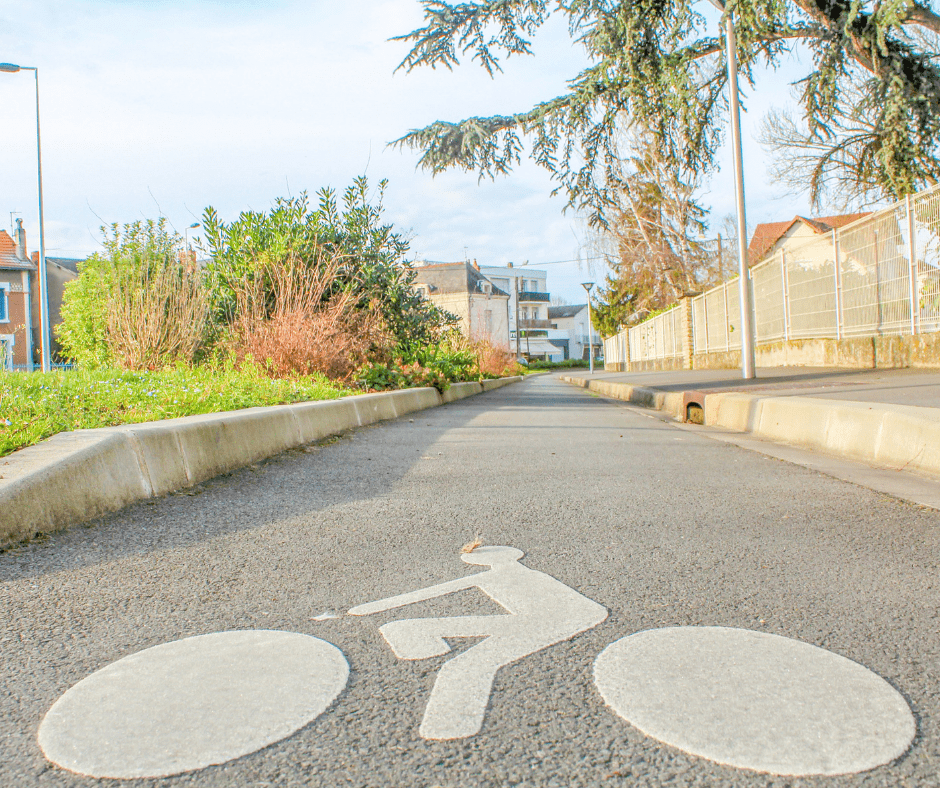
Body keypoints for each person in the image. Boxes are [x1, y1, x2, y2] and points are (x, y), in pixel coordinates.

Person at [349, 546, 607, 739]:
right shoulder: (513, 575)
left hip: (557, 619)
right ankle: (430, 655)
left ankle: (449, 728)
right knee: (408, 631)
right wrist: (367, 608)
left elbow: (433, 592)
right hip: (547, 617)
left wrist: (368, 608)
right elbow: (433, 592)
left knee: (464, 667)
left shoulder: (508, 576)